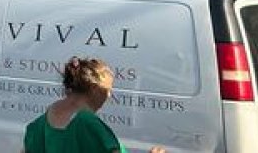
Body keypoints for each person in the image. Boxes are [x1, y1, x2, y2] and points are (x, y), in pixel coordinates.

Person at [22, 57, 167, 153]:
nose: (109, 96)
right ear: (94, 90)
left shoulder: (45, 119)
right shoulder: (87, 122)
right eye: (107, 90)